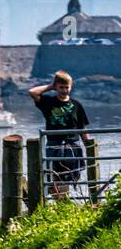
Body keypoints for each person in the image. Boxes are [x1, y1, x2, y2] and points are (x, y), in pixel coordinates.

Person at [29, 70, 90, 198]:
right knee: (54, 177)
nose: (64, 90)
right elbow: (33, 92)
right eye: (61, 87)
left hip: (72, 146)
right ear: (56, 87)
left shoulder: (76, 105)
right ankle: (62, 202)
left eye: (67, 87)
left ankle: (63, 203)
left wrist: (88, 145)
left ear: (71, 86)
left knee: (69, 177)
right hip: (54, 145)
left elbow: (82, 127)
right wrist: (51, 86)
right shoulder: (48, 102)